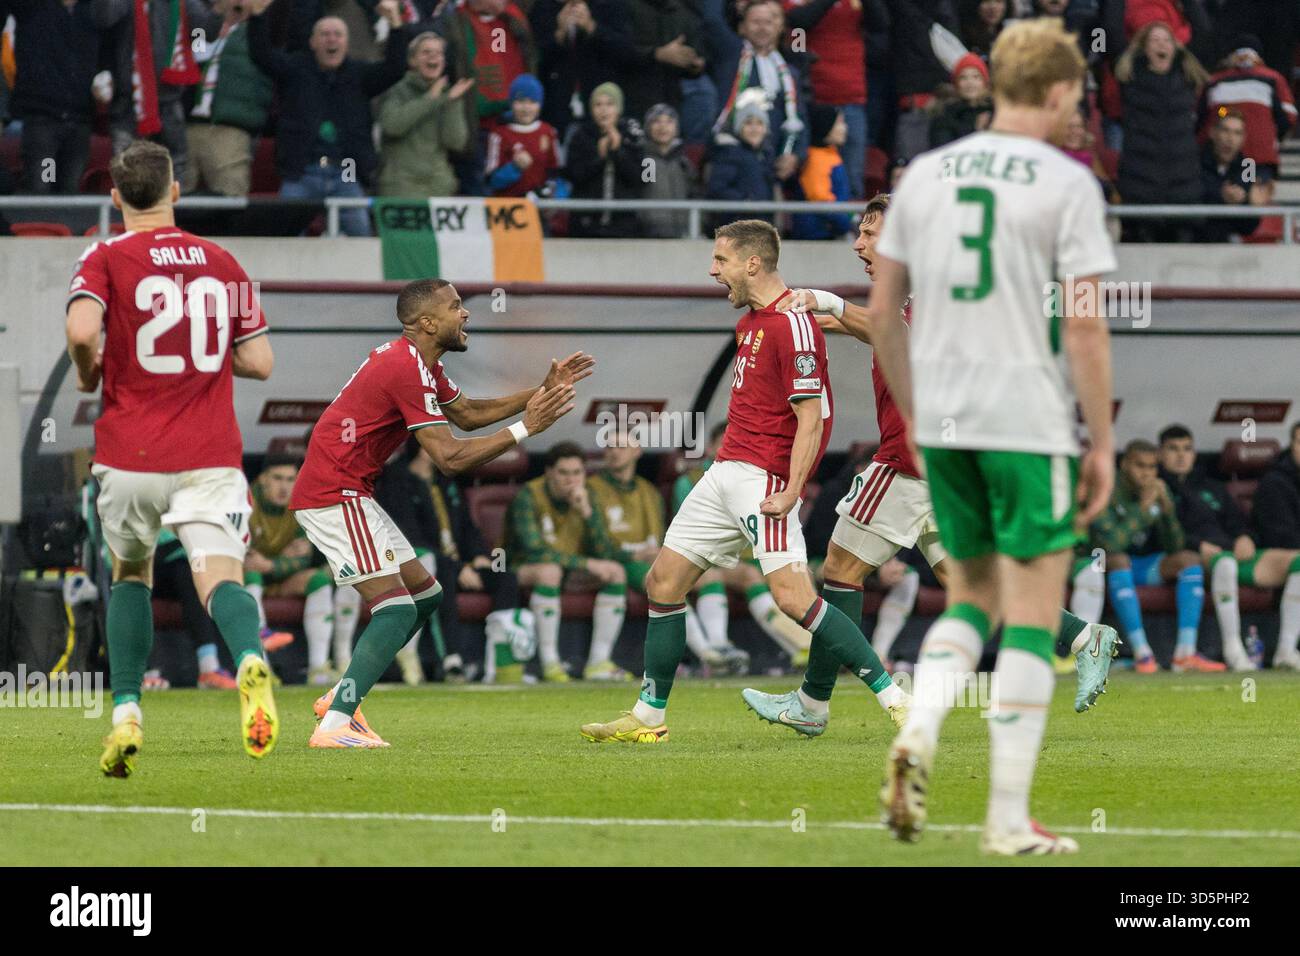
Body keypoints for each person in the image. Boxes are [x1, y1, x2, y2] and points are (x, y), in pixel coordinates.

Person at [864, 19, 1117, 855]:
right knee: (1034, 616)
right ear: (1058, 90)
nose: (1077, 111)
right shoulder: (1067, 181)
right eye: (1076, 97)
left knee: (970, 596)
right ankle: (1007, 818)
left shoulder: (924, 176)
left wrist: (917, 412)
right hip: (1025, 419)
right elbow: (1085, 326)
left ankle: (920, 727)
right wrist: (1101, 442)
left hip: (945, 422)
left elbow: (882, 315)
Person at [747, 192, 1119, 739]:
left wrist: (824, 301)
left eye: (870, 233)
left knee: (841, 573)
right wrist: (798, 317)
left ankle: (812, 702)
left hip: (907, 465)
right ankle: (1084, 637)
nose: (858, 244)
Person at [580, 219, 855, 746]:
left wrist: (792, 488)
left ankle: (892, 696)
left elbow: (813, 415)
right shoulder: (750, 324)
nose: (712, 270)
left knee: (798, 595)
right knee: (663, 582)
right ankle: (649, 714)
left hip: (763, 478)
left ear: (752, 263)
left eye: (720, 259)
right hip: (727, 472)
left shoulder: (794, 326)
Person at [290, 280, 584, 747]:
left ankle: (341, 696)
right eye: (455, 306)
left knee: (426, 596)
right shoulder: (405, 367)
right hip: (334, 494)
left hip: (353, 492)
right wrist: (526, 428)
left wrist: (540, 391)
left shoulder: (419, 364)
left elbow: (466, 413)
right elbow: (449, 458)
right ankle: (335, 725)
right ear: (427, 322)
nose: (465, 314)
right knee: (394, 609)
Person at [66, 140, 279, 776]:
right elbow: (261, 361)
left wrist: (88, 371)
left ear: (115, 197)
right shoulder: (223, 261)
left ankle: (127, 712)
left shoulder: (104, 255)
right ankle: (248, 659)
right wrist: (203, 357)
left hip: (130, 455)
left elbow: (82, 331)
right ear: (175, 191)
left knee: (132, 575)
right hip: (208, 455)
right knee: (220, 580)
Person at [374, 442, 534, 684]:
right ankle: (452, 660)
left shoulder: (445, 481)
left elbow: (468, 527)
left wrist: (480, 556)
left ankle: (500, 664)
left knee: (506, 577)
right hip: (425, 564)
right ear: (423, 448)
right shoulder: (396, 481)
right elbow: (408, 539)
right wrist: (457, 568)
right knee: (441, 573)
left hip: (461, 563)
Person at [248, 0, 410, 236]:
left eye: (338, 34)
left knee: (361, 238)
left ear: (346, 43)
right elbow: (261, 54)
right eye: (324, 34)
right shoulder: (295, 69)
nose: (331, 39)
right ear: (312, 42)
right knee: (284, 237)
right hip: (302, 171)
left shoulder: (360, 75)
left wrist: (395, 23)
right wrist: (257, 16)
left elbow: (395, 68)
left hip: (346, 170)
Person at [672, 421, 813, 671]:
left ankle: (806, 648)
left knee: (798, 571)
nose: (732, 449)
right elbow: (695, 529)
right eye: (724, 443)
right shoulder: (691, 481)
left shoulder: (754, 477)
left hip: (750, 557)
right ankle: (722, 648)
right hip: (709, 557)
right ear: (710, 448)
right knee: (748, 575)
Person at [1158, 424, 1300, 671]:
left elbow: (1239, 523)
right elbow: (1162, 533)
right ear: (1160, 453)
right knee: (1225, 563)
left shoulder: (1212, 487)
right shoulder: (1158, 488)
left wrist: (1245, 538)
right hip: (1197, 557)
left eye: (1187, 449)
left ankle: (1286, 650)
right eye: (1173, 449)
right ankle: (1233, 649)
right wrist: (1198, 545)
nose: (1181, 456)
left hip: (1232, 553)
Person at [1090, 440, 1223, 673]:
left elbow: (1175, 546)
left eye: (1152, 467)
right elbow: (1109, 545)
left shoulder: (1157, 490)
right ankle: (1142, 654)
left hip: (1144, 567)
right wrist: (1143, 510)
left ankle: (1185, 653)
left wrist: (1167, 510)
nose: (1147, 473)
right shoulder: (1107, 488)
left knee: (1188, 560)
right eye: (1140, 466)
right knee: (1119, 559)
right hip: (1102, 565)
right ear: (1124, 464)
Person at [504, 442, 630, 681]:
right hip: (517, 568)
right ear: (549, 472)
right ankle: (550, 663)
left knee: (615, 571)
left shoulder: (588, 496)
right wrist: (587, 565)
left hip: (568, 569)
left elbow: (605, 552)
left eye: (577, 473)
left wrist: (587, 513)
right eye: (563, 473)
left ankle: (599, 662)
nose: (571, 480)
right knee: (549, 572)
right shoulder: (529, 495)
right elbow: (534, 551)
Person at [244, 456, 365, 686]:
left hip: (280, 578)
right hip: (247, 580)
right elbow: (245, 560)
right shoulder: (246, 503)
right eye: (277, 478)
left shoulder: (299, 504)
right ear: (262, 479)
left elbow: (303, 558)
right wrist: (280, 560)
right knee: (251, 575)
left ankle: (318, 669)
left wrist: (272, 565)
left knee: (318, 580)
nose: (284, 487)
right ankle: (261, 668)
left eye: (290, 479)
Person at [1113, 21, 1207, 241]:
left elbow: (1204, 30)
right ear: (1144, 48)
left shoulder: (1187, 77)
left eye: (1167, 40)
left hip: (1183, 189)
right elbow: (1110, 29)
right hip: (1140, 189)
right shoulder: (1130, 78)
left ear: (1175, 48)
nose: (1161, 45)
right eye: (1155, 40)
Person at [783, 0, 885, 199]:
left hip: (852, 97)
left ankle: (851, 219)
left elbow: (880, 24)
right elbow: (798, 24)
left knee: (852, 177)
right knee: (814, 177)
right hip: (814, 101)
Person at [703, 0, 808, 183]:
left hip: (771, 169)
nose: (763, 28)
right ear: (742, 27)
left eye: (768, 22)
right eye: (756, 22)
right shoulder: (731, 55)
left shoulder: (789, 72)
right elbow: (712, 20)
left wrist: (795, 155)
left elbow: (800, 118)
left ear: (778, 28)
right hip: (731, 164)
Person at [3, 0, 99, 194]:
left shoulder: (91, 11)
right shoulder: (33, 8)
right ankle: (43, 215)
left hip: (80, 121)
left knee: (70, 190)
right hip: (44, 122)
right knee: (43, 186)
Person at [183, 0, 275, 197]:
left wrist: (258, 13)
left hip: (229, 130)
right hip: (186, 126)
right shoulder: (199, 28)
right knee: (176, 199)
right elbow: (191, 56)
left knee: (229, 197)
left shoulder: (262, 33)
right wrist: (215, 19)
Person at [376, 31, 474, 198]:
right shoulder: (396, 89)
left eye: (438, 53)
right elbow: (392, 126)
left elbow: (455, 142)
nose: (433, 57)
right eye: (426, 52)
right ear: (412, 60)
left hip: (439, 186)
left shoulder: (447, 93)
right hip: (401, 186)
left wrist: (452, 102)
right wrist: (430, 99)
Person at [1199, 37, 1295, 203]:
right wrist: (1269, 134)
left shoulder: (1215, 81)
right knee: (1250, 201)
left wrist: (1227, 112)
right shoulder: (1273, 78)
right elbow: (1287, 118)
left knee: (1235, 198)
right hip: (1255, 159)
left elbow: (1208, 116)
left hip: (1228, 160)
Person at [530, 0, 634, 137]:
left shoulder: (610, 5)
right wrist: (560, 34)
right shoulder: (544, 7)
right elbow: (534, 56)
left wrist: (591, 27)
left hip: (600, 101)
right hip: (556, 104)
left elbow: (626, 52)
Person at [564, 82, 644, 237]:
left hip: (624, 226)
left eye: (610, 104)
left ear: (619, 109)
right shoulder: (580, 136)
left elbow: (645, 179)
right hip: (585, 225)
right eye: (598, 105)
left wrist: (618, 152)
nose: (604, 110)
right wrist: (599, 158)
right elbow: (573, 175)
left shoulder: (634, 137)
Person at [706, 93, 777, 229]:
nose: (754, 129)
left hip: (761, 226)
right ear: (739, 128)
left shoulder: (766, 155)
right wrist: (745, 201)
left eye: (759, 123)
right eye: (748, 123)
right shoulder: (729, 153)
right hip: (736, 227)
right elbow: (717, 188)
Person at [485, 73, 561, 197]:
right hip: (508, 205)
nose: (526, 108)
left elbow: (555, 173)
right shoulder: (499, 135)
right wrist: (515, 168)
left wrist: (549, 191)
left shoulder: (548, 132)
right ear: (512, 103)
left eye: (532, 102)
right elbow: (491, 181)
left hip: (540, 205)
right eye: (520, 101)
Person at [1198, 109, 1263, 242]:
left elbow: (1248, 228)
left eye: (1237, 133)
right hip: (1195, 240)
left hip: (1229, 242)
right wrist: (1221, 196)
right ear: (1213, 133)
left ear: (1243, 139)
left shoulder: (1248, 166)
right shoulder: (1194, 162)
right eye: (1225, 130)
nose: (1230, 139)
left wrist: (1252, 206)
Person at [790, 104, 854, 240]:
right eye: (840, 123)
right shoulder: (817, 159)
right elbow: (821, 201)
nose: (845, 128)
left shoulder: (829, 155)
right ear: (826, 126)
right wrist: (846, 224)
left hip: (828, 232)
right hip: (816, 237)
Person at [928, 52, 993, 148]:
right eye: (963, 77)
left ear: (985, 82)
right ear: (956, 84)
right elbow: (943, 149)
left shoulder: (996, 112)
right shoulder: (944, 116)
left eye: (976, 77)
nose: (970, 83)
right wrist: (975, 130)